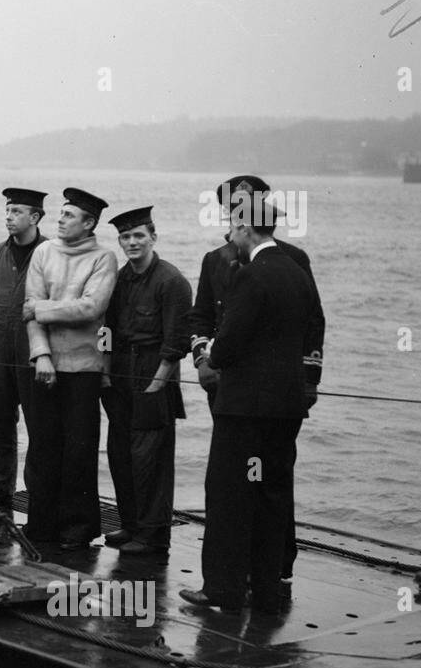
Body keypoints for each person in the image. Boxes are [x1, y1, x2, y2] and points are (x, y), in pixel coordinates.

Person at [182, 198, 318, 615]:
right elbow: (317, 328)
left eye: (233, 226)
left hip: (243, 409)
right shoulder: (297, 271)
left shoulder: (250, 276)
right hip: (287, 407)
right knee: (272, 493)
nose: (229, 235)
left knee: (228, 494)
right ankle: (266, 585)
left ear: (245, 227)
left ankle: (222, 588)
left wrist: (212, 355)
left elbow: (230, 342)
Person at [21, 187, 118, 549]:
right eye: (60, 214)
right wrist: (41, 354)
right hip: (45, 365)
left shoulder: (104, 258)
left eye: (68, 215)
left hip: (84, 368)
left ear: (89, 223)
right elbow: (28, 307)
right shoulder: (43, 252)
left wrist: (44, 310)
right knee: (43, 447)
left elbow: (91, 308)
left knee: (79, 450)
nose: (60, 220)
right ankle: (40, 527)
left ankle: (77, 529)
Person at [100, 206, 192, 555]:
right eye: (126, 237)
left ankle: (154, 536)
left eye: (139, 235)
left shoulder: (171, 281)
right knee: (121, 453)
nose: (132, 242)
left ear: (153, 237)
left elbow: (176, 344)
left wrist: (156, 385)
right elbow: (106, 330)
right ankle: (131, 524)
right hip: (121, 375)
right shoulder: (120, 279)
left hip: (154, 373)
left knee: (150, 459)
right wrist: (106, 372)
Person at [0, 188, 48, 539]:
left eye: (17, 211)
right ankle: (1, 491)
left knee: (38, 428)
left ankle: (36, 495)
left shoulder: (49, 252)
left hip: (32, 354)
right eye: (7, 209)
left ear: (35, 217)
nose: (9, 216)